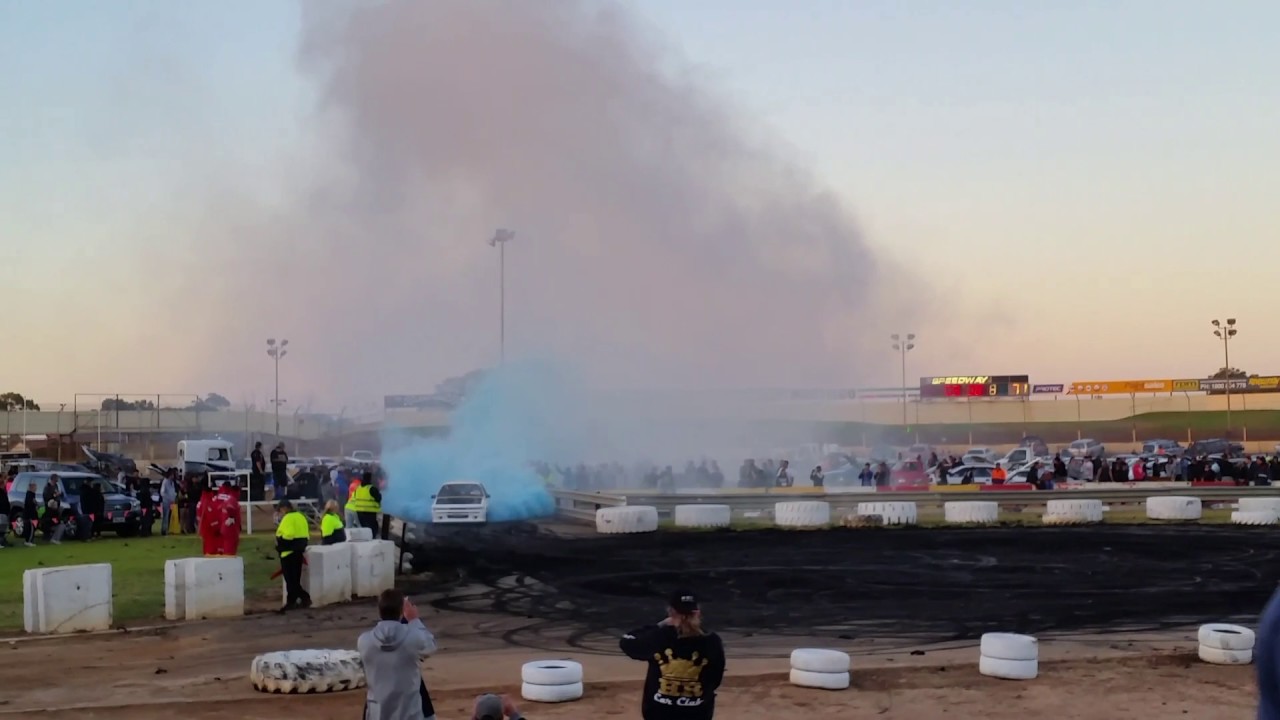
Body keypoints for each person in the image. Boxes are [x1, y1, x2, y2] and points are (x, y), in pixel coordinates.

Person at [620, 590, 726, 720]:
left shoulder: (659, 636)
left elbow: (627, 642)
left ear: (671, 612)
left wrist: (659, 625)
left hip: (659, 713)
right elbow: (716, 678)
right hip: (697, 713)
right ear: (698, 612)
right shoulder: (711, 641)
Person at [358, 589, 438, 720]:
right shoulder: (413, 639)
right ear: (402, 611)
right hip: (409, 714)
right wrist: (413, 620)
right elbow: (431, 646)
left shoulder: (364, 641)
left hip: (377, 714)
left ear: (379, 611)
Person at [275, 499, 312, 611]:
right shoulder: (301, 516)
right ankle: (293, 601)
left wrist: (280, 541)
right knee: (295, 578)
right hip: (299, 550)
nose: (280, 514)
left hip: (288, 552)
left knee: (290, 580)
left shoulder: (288, 518)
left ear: (284, 508)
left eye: (280, 511)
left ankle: (303, 598)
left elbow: (289, 534)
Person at [348, 470, 383, 537]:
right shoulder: (372, 488)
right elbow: (379, 498)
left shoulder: (358, 488)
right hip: (370, 512)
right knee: (371, 530)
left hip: (359, 512)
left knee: (363, 529)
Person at [212, 480, 242, 555]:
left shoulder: (217, 496)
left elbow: (215, 507)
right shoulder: (231, 498)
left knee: (219, 545)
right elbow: (229, 507)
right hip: (228, 526)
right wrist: (231, 517)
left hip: (219, 522)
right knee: (229, 549)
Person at [198, 475, 220, 555]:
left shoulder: (201, 501)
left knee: (206, 544)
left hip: (203, 527)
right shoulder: (208, 502)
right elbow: (211, 517)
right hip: (209, 528)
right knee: (211, 546)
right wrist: (216, 527)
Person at [22, 481, 38, 546]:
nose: (36, 488)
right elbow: (30, 505)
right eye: (35, 487)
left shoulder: (32, 495)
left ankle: (29, 540)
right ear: (32, 487)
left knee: (32, 528)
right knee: (31, 528)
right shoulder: (29, 495)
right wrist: (31, 516)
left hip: (32, 515)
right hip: (30, 516)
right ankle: (28, 541)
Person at [0, 479, 10, 548]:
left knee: (3, 528)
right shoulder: (2, 493)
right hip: (1, 512)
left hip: (4, 512)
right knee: (1, 528)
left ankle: (2, 541)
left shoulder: (3, 492)